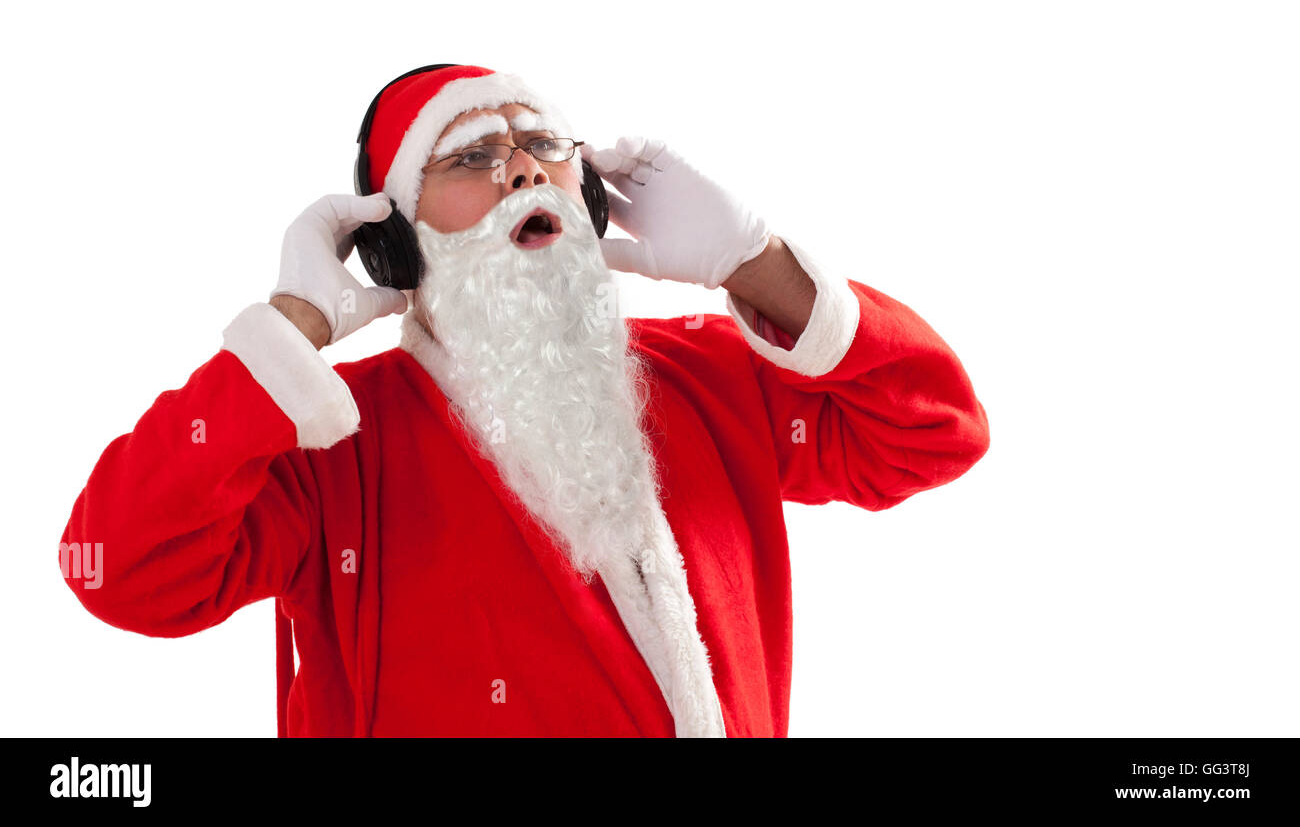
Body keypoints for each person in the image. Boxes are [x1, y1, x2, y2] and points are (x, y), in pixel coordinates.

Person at [59, 64, 991, 737]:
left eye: (545, 147)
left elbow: (933, 429)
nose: (523, 172)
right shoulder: (329, 442)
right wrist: (289, 331)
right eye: (470, 157)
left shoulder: (712, 379)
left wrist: (755, 263)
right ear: (396, 244)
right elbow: (123, 571)